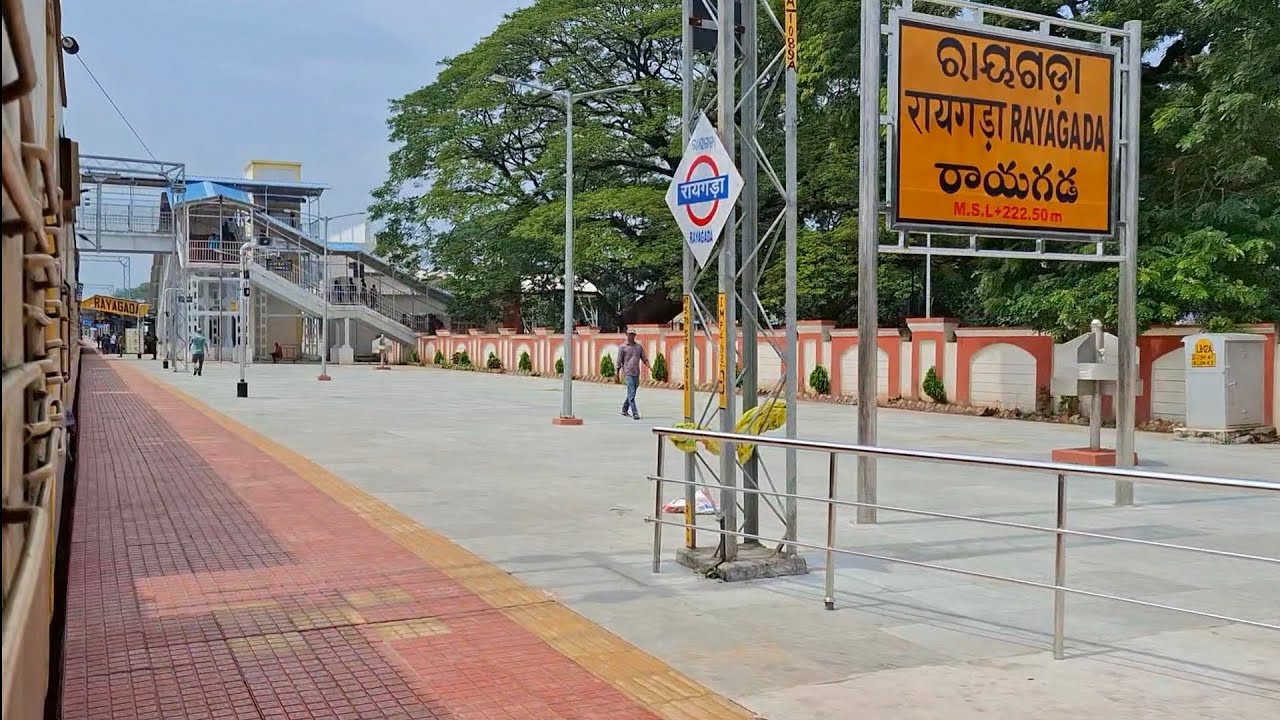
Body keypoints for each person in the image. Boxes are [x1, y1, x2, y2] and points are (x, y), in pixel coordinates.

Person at [614, 329, 650, 420]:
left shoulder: (638, 347)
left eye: (633, 334)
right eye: (630, 334)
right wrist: (617, 374)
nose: (631, 336)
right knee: (632, 392)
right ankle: (635, 413)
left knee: (632, 393)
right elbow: (619, 361)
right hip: (628, 373)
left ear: (635, 335)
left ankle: (624, 409)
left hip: (636, 373)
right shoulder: (623, 347)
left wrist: (649, 366)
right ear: (626, 334)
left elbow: (644, 358)